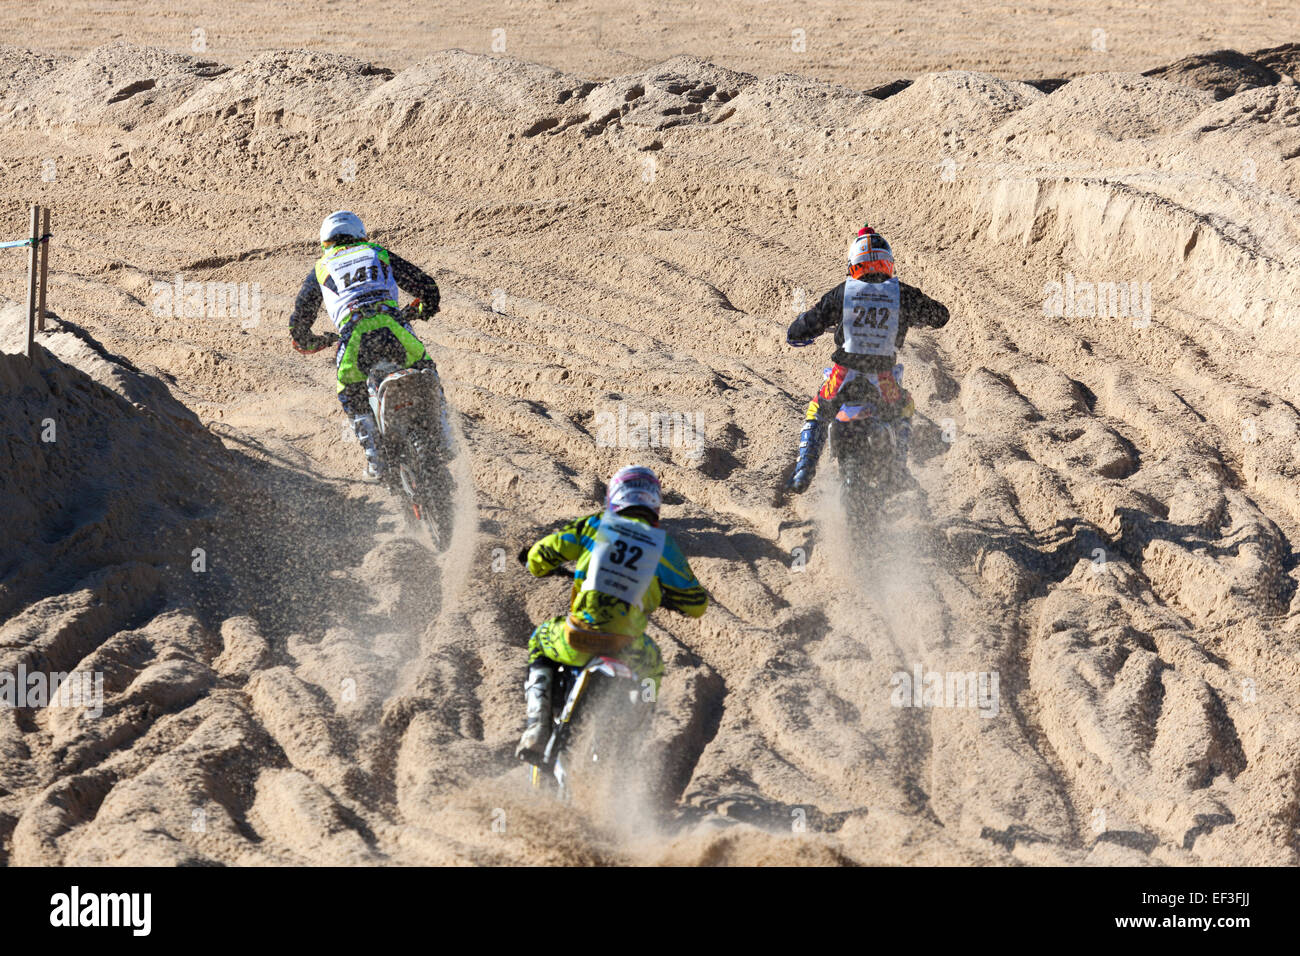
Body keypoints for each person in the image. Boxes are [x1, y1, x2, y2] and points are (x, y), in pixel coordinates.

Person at [515, 465, 709, 764]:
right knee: (654, 667)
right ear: (654, 502)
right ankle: (633, 736)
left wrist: (532, 560)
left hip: (578, 638)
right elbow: (696, 604)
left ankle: (537, 726)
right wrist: (668, 597)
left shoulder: (594, 525)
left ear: (615, 496)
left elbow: (541, 557)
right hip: (627, 647)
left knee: (540, 639)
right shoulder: (664, 546)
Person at [784, 222, 950, 493]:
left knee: (818, 409)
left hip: (843, 374)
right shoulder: (902, 293)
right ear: (888, 264)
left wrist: (796, 332)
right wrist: (911, 314)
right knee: (903, 408)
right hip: (882, 377)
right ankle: (898, 469)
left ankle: (804, 470)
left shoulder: (843, 292)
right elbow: (941, 316)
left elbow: (808, 323)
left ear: (853, 265)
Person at [289, 210, 442, 480]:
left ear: (326, 242)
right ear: (360, 235)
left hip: (355, 337)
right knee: (426, 370)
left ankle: (375, 459)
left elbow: (300, 321)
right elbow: (426, 287)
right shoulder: (376, 252)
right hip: (394, 329)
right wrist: (423, 309)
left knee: (350, 392)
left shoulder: (322, 266)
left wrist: (310, 340)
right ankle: (444, 432)